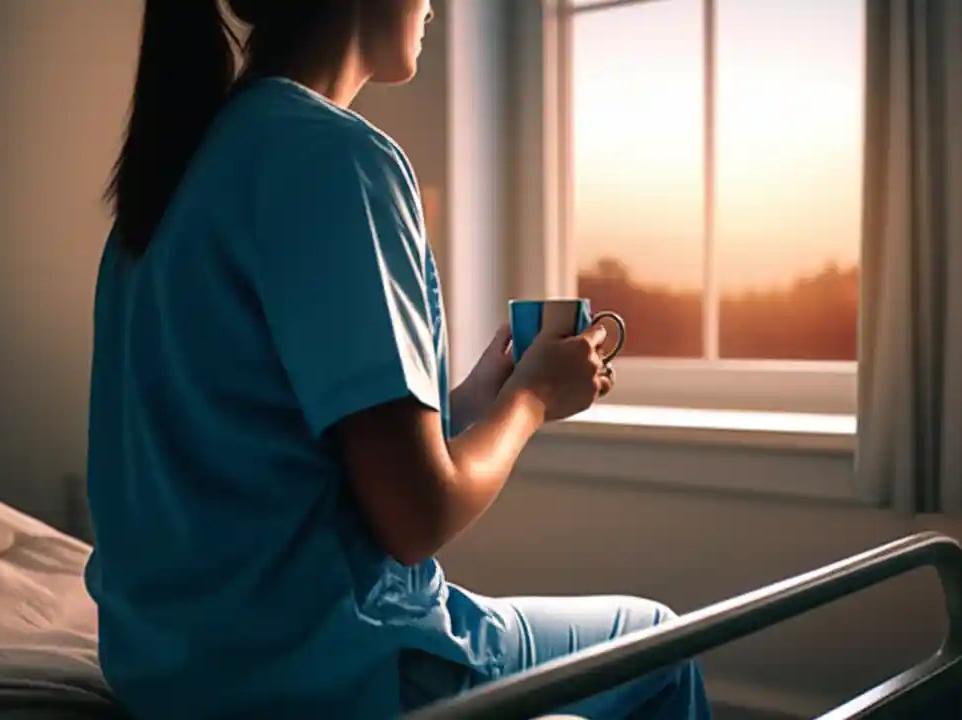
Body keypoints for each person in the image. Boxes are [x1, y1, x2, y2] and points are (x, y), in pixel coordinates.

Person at [85, 1, 711, 718]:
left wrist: (475, 399)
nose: (436, 7)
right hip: (331, 674)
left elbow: (264, 452)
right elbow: (416, 517)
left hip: (174, 675)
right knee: (664, 642)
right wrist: (530, 401)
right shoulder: (336, 160)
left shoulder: (171, 180)